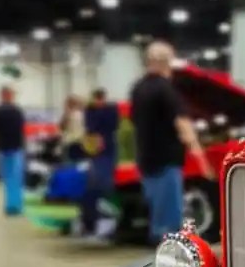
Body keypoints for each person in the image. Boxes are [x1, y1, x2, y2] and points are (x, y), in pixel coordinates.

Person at [130, 41, 213, 245]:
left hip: (145, 159)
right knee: (169, 219)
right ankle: (169, 259)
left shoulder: (138, 88)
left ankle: (158, 250)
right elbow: (183, 125)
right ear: (168, 62)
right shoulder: (166, 90)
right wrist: (201, 158)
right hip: (166, 161)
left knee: (157, 213)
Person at [80, 89, 121, 239]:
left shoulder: (110, 110)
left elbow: (113, 126)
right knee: (95, 185)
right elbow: (90, 127)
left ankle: (99, 222)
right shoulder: (90, 111)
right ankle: (91, 223)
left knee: (102, 185)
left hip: (106, 153)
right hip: (96, 153)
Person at [0, 86, 27, 216]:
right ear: (10, 95)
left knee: (8, 178)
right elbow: (22, 130)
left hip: (2, 148)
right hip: (15, 148)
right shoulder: (17, 110)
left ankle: (9, 206)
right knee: (16, 178)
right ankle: (16, 206)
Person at [59, 95, 87, 159]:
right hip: (79, 142)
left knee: (71, 162)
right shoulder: (82, 114)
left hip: (71, 143)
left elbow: (62, 127)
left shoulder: (71, 115)